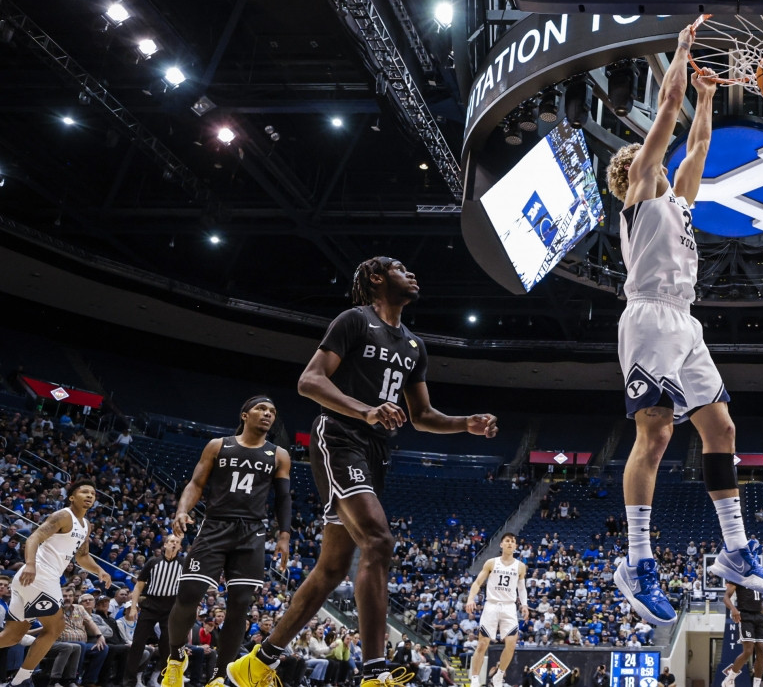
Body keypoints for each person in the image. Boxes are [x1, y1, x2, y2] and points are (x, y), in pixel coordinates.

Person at [228, 257, 499, 687]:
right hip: (339, 436)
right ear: (377, 278)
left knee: (332, 568)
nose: (412, 273)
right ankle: (374, 673)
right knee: (379, 540)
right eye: (400, 268)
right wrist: (366, 410)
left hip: (374, 452)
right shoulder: (355, 320)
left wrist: (464, 423)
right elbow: (309, 381)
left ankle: (257, 663)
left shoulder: (413, 345)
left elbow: (423, 415)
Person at [606, 21, 763, 625]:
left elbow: (699, 149)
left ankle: (735, 552)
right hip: (649, 319)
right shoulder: (638, 197)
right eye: (643, 155)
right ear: (631, 173)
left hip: (685, 324)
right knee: (655, 436)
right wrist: (681, 55)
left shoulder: (678, 201)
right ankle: (636, 562)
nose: (652, 155)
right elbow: (668, 105)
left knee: (722, 430)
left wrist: (709, 100)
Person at [158, 396, 293, 687]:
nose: (268, 414)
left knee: (241, 605)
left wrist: (284, 535)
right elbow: (196, 484)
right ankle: (175, 658)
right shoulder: (218, 445)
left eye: (272, 411)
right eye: (261, 409)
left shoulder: (279, 454)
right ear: (245, 415)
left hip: (253, 532)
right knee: (189, 594)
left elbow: (283, 498)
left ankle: (220, 677)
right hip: (215, 525)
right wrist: (182, 510)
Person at [0, 480, 111, 687]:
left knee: (12, 636)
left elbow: (82, 556)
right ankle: (19, 682)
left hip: (38, 580)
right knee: (56, 627)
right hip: (38, 575)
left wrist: (100, 570)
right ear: (71, 497)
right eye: (84, 492)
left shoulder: (86, 525)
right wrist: (31, 564)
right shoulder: (63, 515)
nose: (89, 496)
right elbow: (33, 538)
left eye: (93, 494)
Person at [465, 533, 529, 687]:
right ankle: (474, 679)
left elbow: (522, 588)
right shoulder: (491, 563)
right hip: (492, 605)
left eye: (512, 542)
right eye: (507, 541)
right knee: (482, 644)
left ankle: (499, 676)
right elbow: (478, 582)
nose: (510, 543)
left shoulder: (520, 566)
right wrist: (470, 599)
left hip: (509, 606)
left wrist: (524, 604)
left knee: (512, 643)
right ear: (501, 545)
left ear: (515, 546)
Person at [125, 535, 186, 687]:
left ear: (180, 547)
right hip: (150, 604)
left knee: (167, 645)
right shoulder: (153, 562)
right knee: (138, 643)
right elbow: (139, 585)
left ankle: (164, 680)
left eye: (177, 543)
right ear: (165, 545)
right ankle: (129, 681)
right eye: (171, 541)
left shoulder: (183, 564)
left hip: (171, 607)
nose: (174, 544)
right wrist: (133, 607)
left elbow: (189, 588)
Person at [720, 581, 763, 687]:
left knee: (761, 650)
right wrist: (733, 609)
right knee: (748, 651)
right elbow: (726, 597)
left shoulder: (757, 579)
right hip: (745, 615)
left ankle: (756, 685)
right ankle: (729, 679)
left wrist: (762, 614)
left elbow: (758, 600)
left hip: (759, 616)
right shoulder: (738, 578)